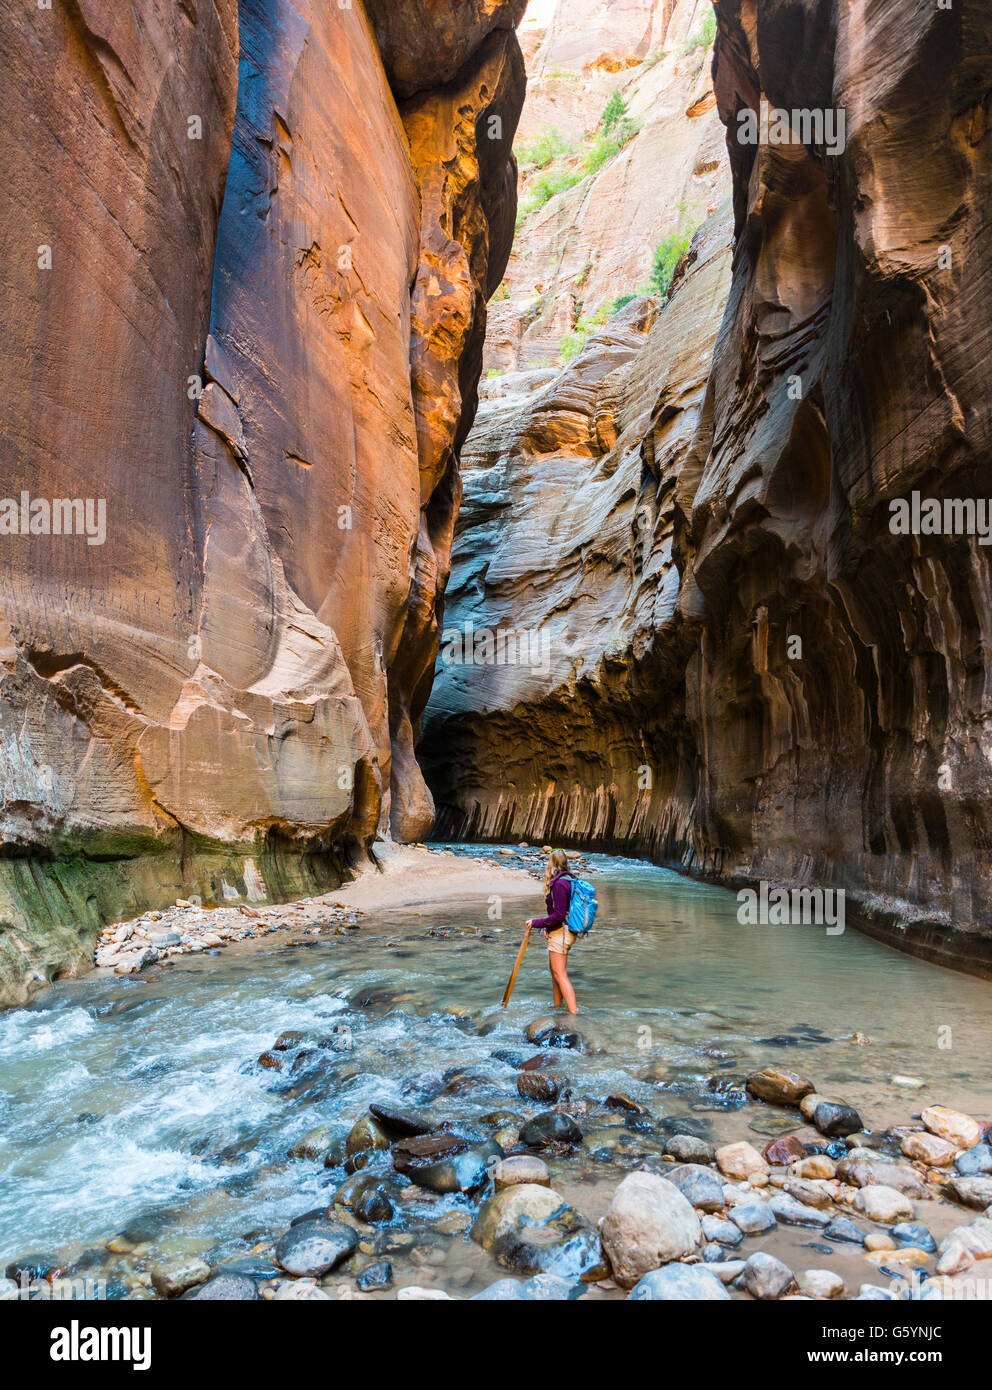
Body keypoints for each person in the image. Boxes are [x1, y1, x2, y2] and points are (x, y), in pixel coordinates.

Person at [526, 849, 578, 1014]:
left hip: (562, 932)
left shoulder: (560, 884)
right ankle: (557, 1007)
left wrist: (536, 923)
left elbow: (559, 914)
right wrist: (548, 927)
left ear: (552, 864)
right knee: (555, 971)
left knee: (560, 973)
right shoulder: (569, 879)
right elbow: (561, 912)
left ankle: (574, 1015)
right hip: (563, 931)